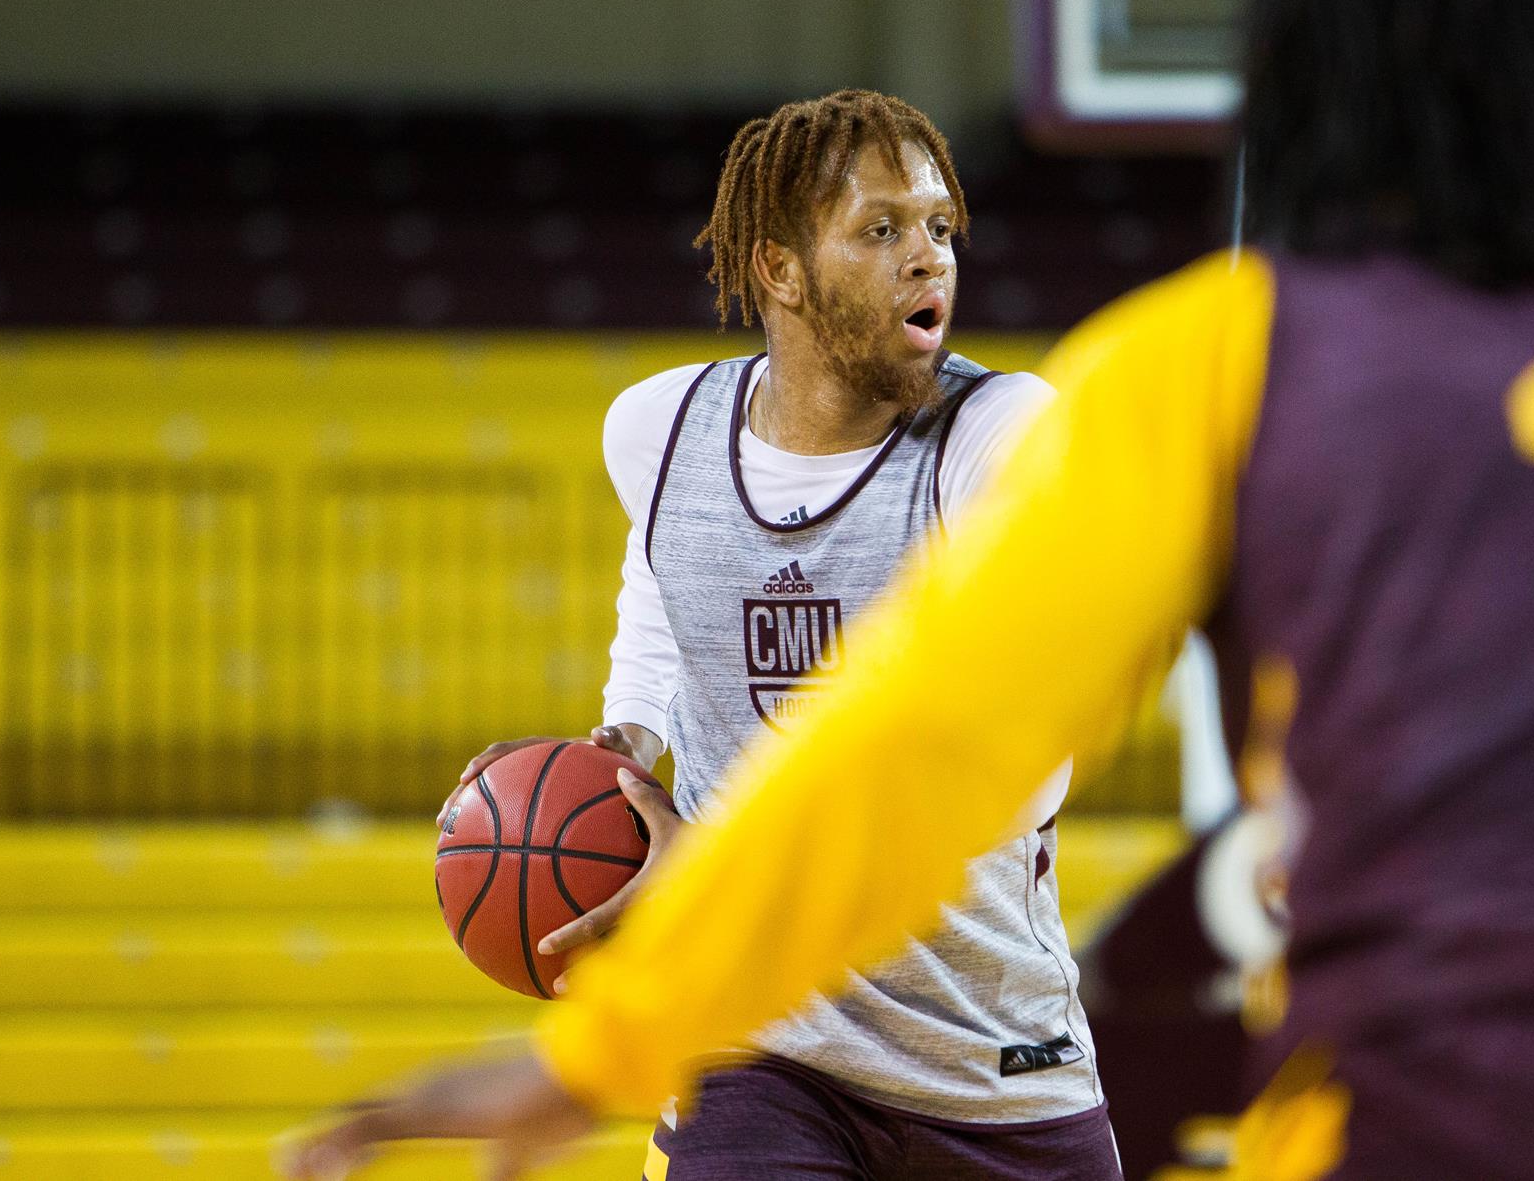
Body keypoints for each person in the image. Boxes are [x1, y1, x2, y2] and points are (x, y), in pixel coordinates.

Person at [286, 0, 1534, 1179]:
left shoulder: (1227, 353)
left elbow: (930, 737)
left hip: (1437, 1098)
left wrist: (609, 1047)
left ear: (1315, 92)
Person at [432, 88, 1118, 1179]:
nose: (928, 257)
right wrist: (629, 734)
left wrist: (725, 861)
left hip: (986, 1054)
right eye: (881, 228)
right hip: (761, 1053)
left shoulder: (997, 439)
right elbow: (664, 578)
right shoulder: (655, 431)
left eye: (940, 227)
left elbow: (1019, 776)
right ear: (779, 271)